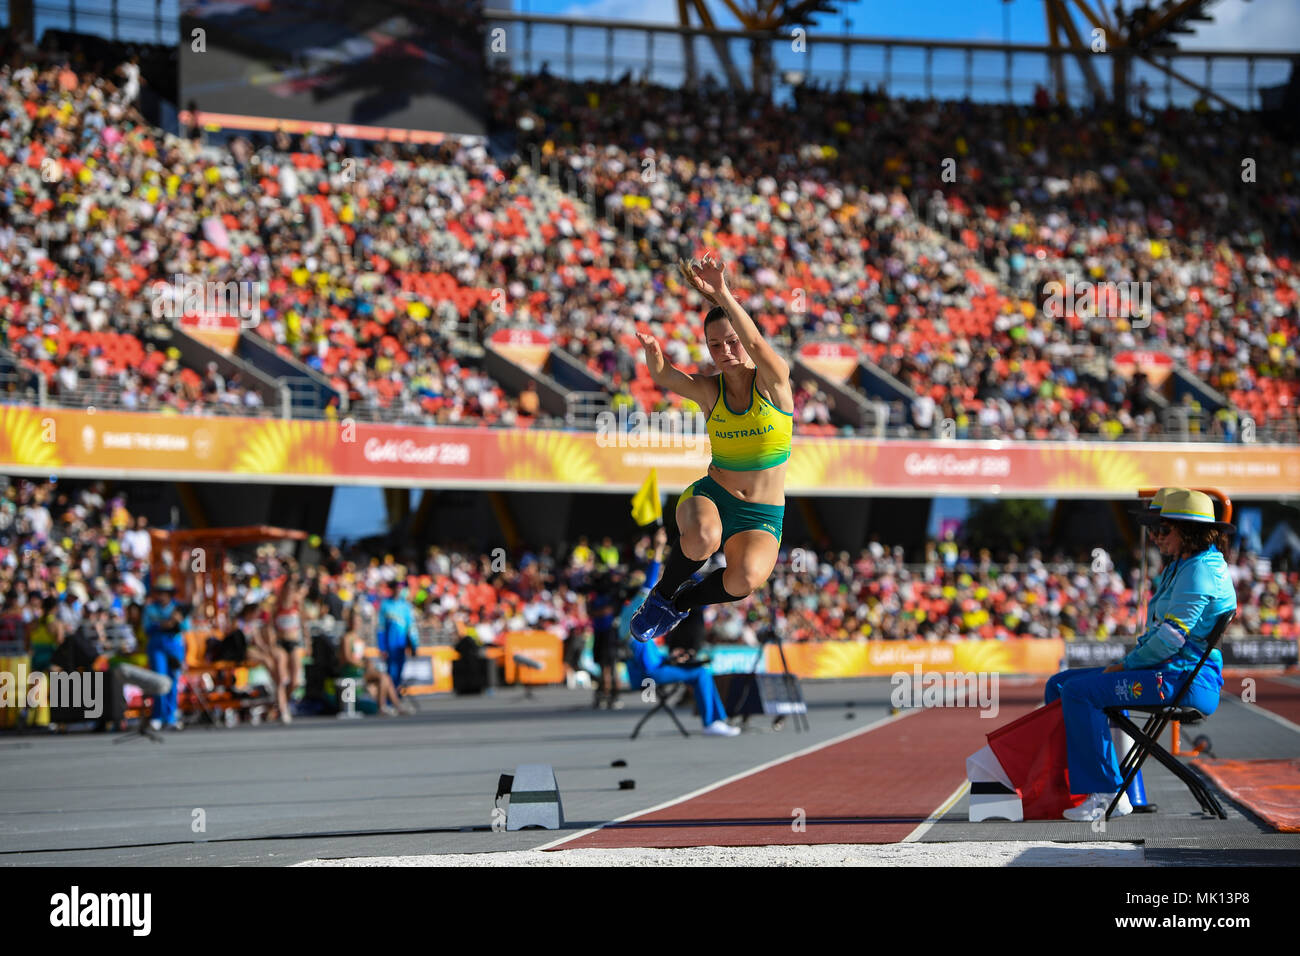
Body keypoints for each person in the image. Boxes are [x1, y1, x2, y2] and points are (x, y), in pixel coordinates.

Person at [1044, 490, 1237, 821]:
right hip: (1170, 673)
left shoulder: (1200, 571)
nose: (1155, 537)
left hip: (1182, 681)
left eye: (1164, 530)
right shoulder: (1184, 566)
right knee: (1059, 684)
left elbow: (1170, 638)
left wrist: (1125, 665)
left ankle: (1106, 794)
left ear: (1190, 531)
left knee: (1077, 692)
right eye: (1154, 530)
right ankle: (1067, 786)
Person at [630, 253, 794, 642]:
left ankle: (684, 602)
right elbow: (666, 376)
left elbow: (754, 339)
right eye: (715, 345)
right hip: (712, 496)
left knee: (745, 579)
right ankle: (662, 596)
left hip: (762, 515)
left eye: (732, 342)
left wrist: (721, 292)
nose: (726, 351)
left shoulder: (774, 383)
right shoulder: (709, 390)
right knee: (704, 537)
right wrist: (655, 359)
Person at [621, 533, 739, 737]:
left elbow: (651, 658)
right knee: (701, 673)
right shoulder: (635, 610)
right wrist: (658, 550)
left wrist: (672, 658)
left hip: (652, 668)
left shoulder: (627, 615)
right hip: (648, 674)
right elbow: (649, 665)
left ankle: (717, 719)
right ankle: (711, 722)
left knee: (699, 669)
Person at [142, 576, 188, 731]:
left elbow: (186, 627)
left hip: (174, 646)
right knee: (159, 680)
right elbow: (147, 628)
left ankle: (171, 716)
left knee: (173, 680)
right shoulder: (150, 609)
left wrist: (178, 621)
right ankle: (157, 715)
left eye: (164, 592)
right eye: (159, 592)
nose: (161, 596)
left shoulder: (178, 608)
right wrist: (164, 624)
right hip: (157, 646)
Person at [377, 584, 418, 698]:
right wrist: (382, 647)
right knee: (391, 672)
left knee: (399, 671)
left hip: (401, 646)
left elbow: (411, 627)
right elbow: (381, 628)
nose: (398, 590)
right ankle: (391, 698)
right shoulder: (385, 605)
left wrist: (414, 645)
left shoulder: (405, 606)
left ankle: (396, 696)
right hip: (390, 647)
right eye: (396, 588)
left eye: (400, 589)